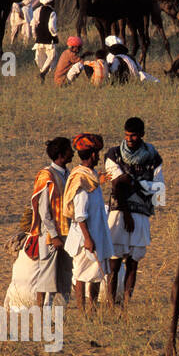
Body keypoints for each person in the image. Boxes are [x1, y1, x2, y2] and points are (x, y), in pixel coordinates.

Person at [6, 136, 74, 309]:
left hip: (67, 231)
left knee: (64, 272)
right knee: (47, 274)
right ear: (61, 154)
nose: (72, 152)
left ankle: (58, 310)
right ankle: (41, 309)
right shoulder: (47, 176)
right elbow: (44, 212)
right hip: (49, 233)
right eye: (69, 149)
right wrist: (54, 235)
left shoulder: (66, 174)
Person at [102, 117, 164, 306]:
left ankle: (126, 304)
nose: (129, 139)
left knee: (133, 264)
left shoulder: (153, 155)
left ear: (142, 135)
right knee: (114, 264)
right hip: (119, 214)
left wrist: (134, 183)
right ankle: (112, 304)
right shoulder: (113, 154)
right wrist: (142, 187)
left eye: (134, 135)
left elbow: (159, 190)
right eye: (127, 135)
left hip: (142, 214)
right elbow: (117, 184)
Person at [65, 134, 113, 313]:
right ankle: (82, 309)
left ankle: (91, 307)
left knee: (94, 274)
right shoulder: (81, 181)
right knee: (80, 275)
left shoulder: (91, 177)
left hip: (96, 234)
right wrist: (88, 239)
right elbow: (80, 215)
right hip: (84, 237)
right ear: (92, 155)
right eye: (97, 154)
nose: (99, 158)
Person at [30, 0, 58, 82]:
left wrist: (35, 36)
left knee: (39, 57)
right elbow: (51, 26)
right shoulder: (52, 12)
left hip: (39, 37)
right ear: (51, 2)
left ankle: (42, 73)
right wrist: (55, 35)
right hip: (49, 38)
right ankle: (42, 74)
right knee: (52, 56)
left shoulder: (36, 11)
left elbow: (33, 25)